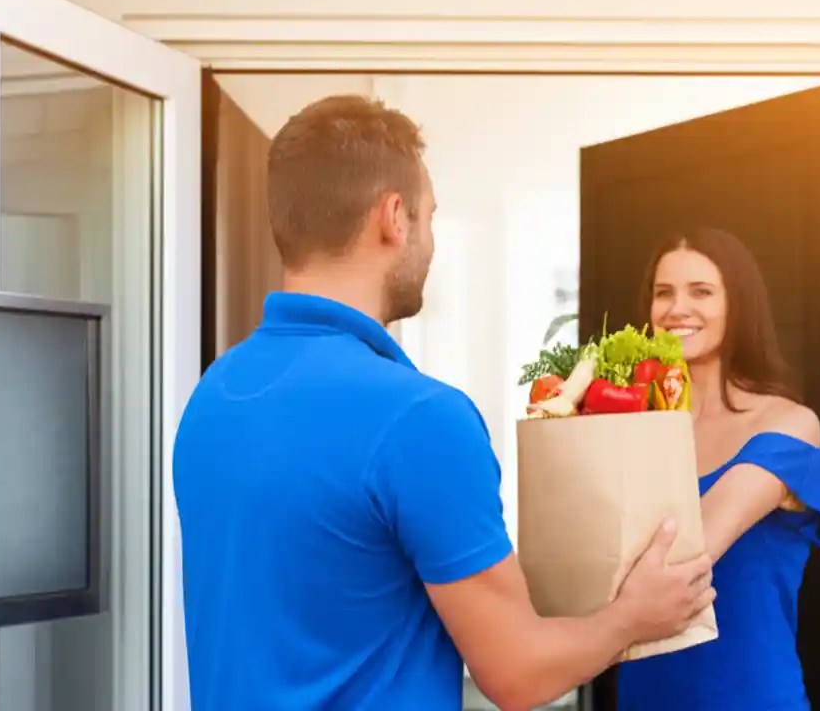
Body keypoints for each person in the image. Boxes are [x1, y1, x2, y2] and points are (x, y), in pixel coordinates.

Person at [172, 95, 715, 711]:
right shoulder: (418, 419)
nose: (428, 242)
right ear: (393, 218)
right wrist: (632, 617)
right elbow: (518, 673)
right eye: (429, 218)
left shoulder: (213, 396)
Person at [616, 227, 820, 710]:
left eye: (701, 291)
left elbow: (688, 551)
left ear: (738, 304)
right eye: (664, 293)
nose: (677, 308)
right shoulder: (635, 427)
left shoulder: (788, 426)